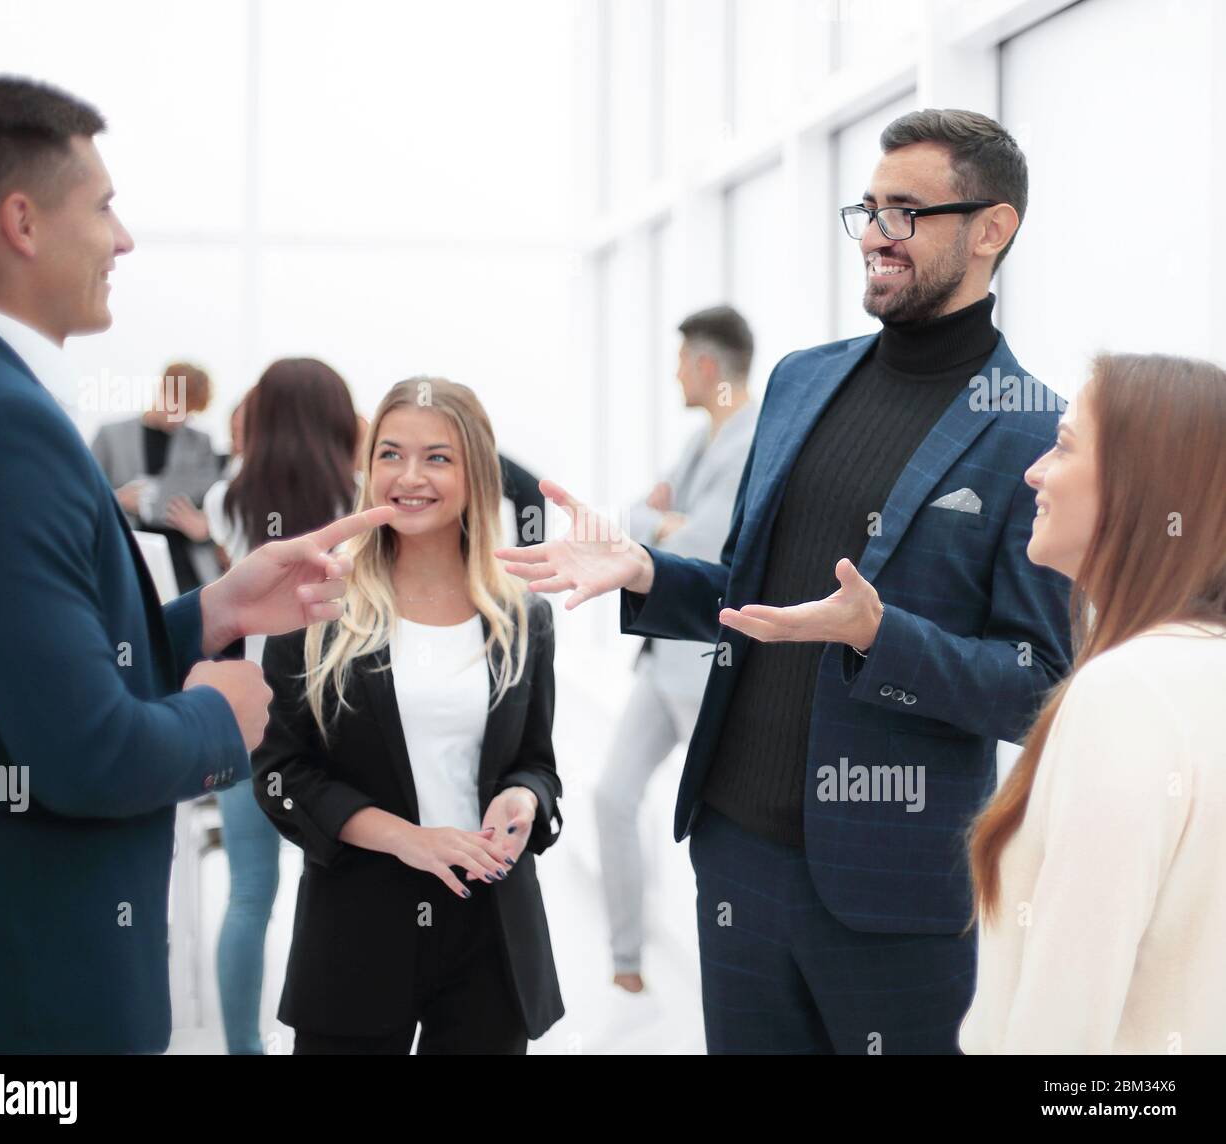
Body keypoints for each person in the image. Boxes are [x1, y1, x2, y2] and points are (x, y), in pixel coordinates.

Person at [498, 108, 1074, 1054]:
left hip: (892, 892)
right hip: (736, 854)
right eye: (870, 209)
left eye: (908, 213)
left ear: (991, 230)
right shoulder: (802, 382)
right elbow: (750, 593)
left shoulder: (1032, 434)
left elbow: (1036, 687)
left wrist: (878, 637)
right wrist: (649, 572)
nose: (878, 236)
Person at [0, 76, 391, 1053]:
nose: (123, 239)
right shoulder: (3, 425)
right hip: (33, 1000)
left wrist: (212, 611)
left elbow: (5, 666)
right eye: (101, 206)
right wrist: (225, 713)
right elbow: (87, 754)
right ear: (19, 221)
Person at [253, 376, 564, 1054]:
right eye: (390, 454)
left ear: (476, 473)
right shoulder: (316, 606)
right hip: (356, 932)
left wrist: (524, 796)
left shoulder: (521, 615)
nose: (409, 476)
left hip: (490, 933)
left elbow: (537, 764)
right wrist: (406, 838)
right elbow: (281, 774)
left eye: (438, 458)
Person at [961, 353, 1226, 1054]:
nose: (1034, 472)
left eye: (1065, 445)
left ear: (1144, 488)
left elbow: (1060, 1045)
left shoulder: (1128, 695)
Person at [181, 358, 364, 1054]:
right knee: (342, 897)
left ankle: (242, 1050)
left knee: (250, 896)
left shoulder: (228, 494)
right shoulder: (359, 497)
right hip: (342, 712)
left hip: (251, 715)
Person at [596, 305, 758, 993]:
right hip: (664, 660)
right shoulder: (700, 442)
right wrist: (661, 522)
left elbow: (707, 547)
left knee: (718, 826)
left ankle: (738, 971)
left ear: (706, 366)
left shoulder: (751, 439)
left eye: (680, 360)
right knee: (611, 796)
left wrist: (659, 525)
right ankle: (627, 958)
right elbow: (636, 520)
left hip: (706, 665)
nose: (673, 375)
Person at [92, 363, 223, 591]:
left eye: (188, 412)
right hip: (126, 552)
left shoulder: (201, 442)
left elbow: (215, 504)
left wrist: (205, 528)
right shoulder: (110, 435)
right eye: (176, 406)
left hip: (184, 561)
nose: (180, 418)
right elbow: (82, 494)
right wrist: (117, 499)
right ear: (162, 389)